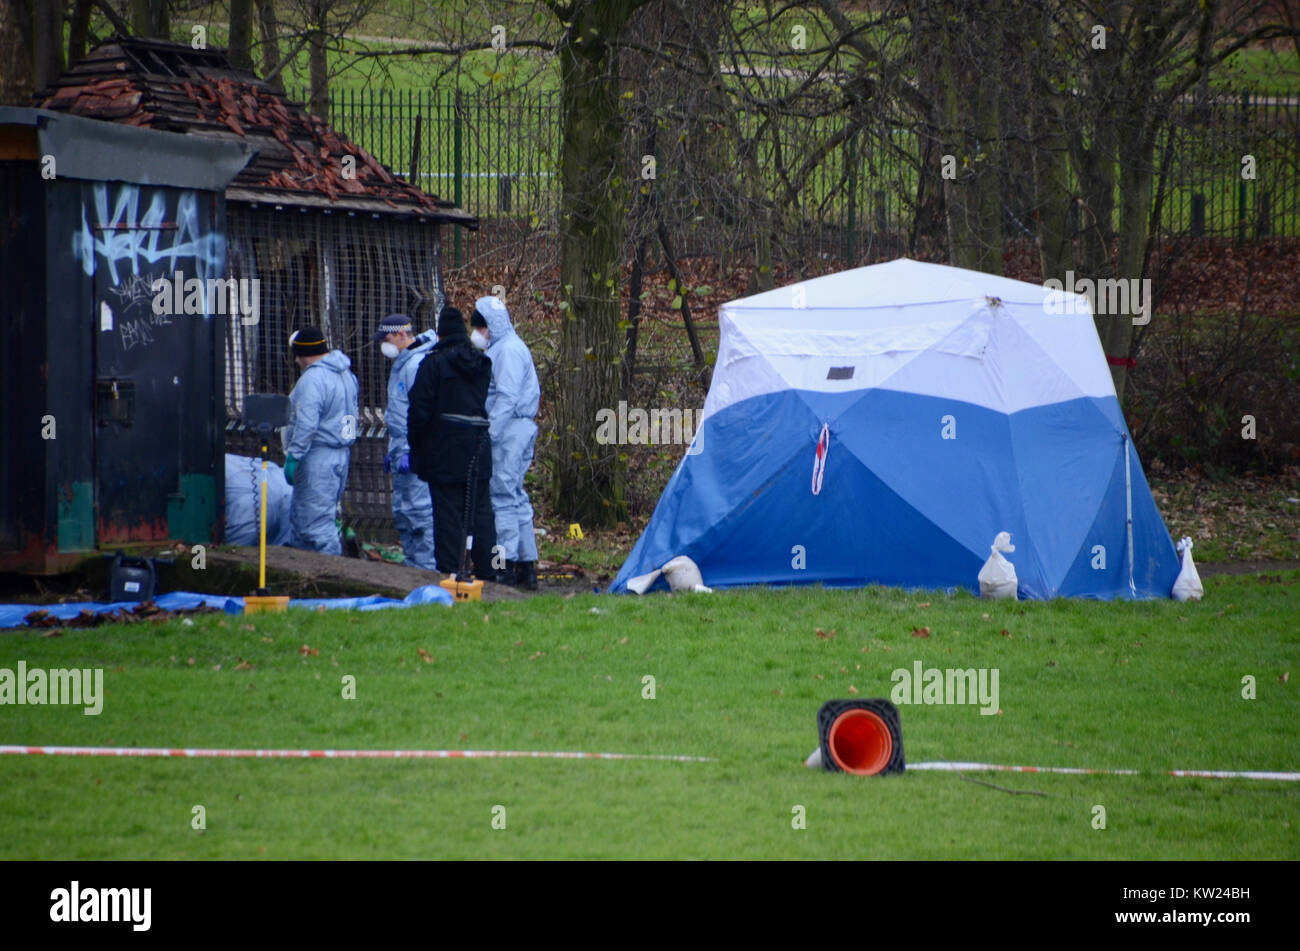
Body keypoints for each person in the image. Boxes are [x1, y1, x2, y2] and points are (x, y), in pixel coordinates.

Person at [407, 306, 497, 578]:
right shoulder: (482, 364)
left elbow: (419, 411)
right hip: (478, 447)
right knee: (481, 514)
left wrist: (416, 447)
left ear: (441, 334)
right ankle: (490, 571)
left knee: (447, 515)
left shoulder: (432, 365)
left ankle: (449, 572)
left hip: (443, 451)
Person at [471, 296, 541, 590]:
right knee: (514, 495)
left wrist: (490, 434)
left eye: (477, 327)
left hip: (510, 429)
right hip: (516, 428)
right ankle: (526, 565)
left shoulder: (507, 351)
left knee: (502, 497)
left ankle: (504, 566)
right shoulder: (506, 347)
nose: (475, 334)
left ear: (487, 326)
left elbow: (506, 398)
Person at [282, 327, 359, 556]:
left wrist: (294, 455)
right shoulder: (347, 375)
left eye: (297, 355)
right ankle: (303, 572)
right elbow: (351, 417)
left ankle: (330, 574)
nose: (296, 360)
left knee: (314, 524)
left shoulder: (312, 379)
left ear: (305, 354)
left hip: (317, 458)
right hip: (340, 455)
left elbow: (306, 424)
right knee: (313, 517)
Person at [373, 314, 438, 571]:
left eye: (386, 338)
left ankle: (427, 573)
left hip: (416, 453)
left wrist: (412, 450)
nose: (384, 345)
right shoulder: (402, 364)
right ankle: (414, 571)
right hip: (402, 449)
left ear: (401, 335)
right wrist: (395, 450)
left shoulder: (417, 364)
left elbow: (424, 413)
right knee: (403, 514)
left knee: (420, 516)